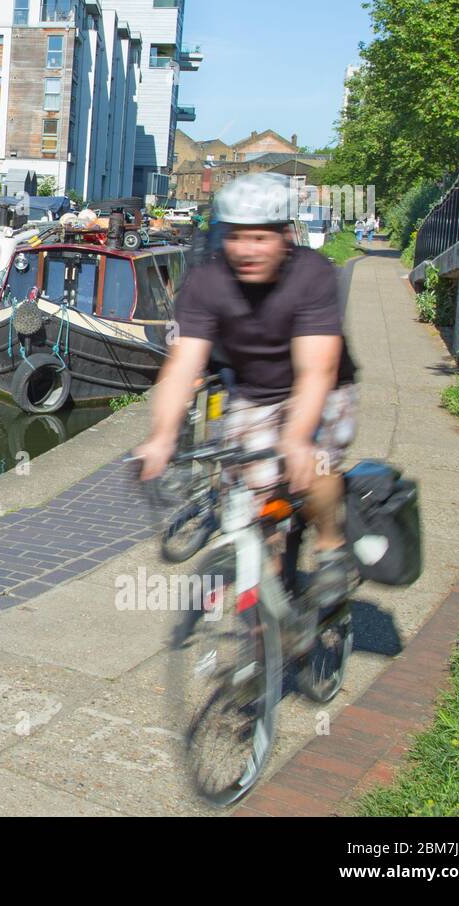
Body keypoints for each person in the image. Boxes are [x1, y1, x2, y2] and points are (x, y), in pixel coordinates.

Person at [135, 172, 360, 607]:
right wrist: (162, 436)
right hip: (256, 392)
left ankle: (332, 548)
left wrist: (296, 439)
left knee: (313, 466)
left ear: (284, 237)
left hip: (321, 387)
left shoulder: (313, 275)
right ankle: (269, 604)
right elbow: (183, 363)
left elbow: (317, 370)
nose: (247, 250)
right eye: (237, 238)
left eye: (260, 238)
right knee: (256, 500)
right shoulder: (206, 283)